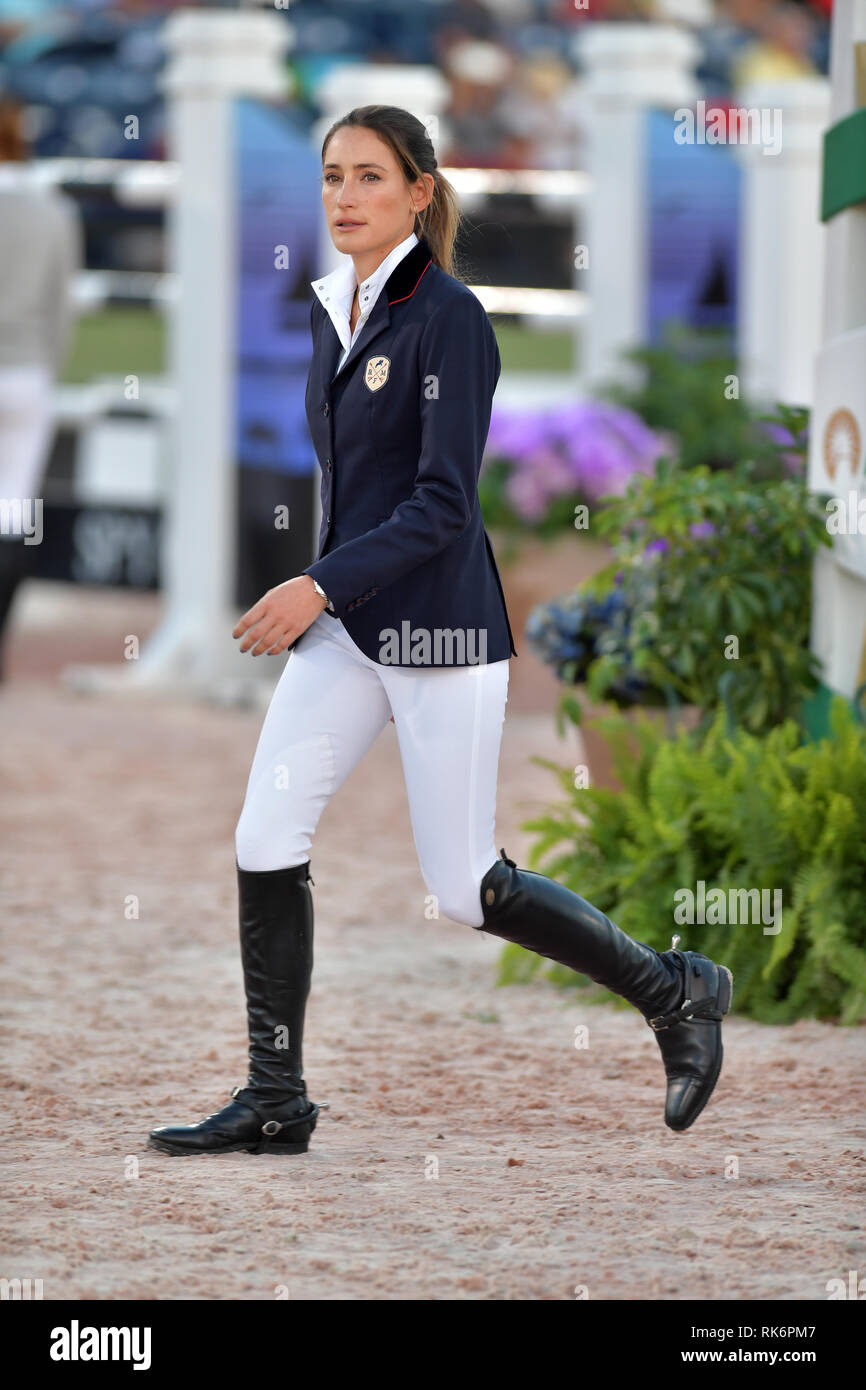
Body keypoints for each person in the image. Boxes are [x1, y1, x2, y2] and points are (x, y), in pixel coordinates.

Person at [147, 104, 732, 1158]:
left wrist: (314, 586)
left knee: (463, 888)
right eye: (331, 177)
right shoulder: (335, 308)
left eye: (368, 177)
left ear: (418, 191)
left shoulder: (449, 316)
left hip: (436, 634)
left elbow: (441, 506)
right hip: (347, 629)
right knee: (262, 837)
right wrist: (330, 598)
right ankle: (275, 1093)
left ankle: (674, 987)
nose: (343, 197)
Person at [0, 95, 82, 681]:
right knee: (14, 512)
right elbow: (64, 305)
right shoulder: (54, 209)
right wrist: (49, 368)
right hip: (27, 374)